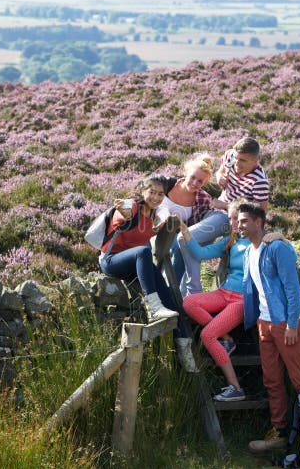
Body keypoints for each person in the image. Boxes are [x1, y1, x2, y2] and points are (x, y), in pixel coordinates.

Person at [180, 199, 284, 402]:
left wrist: (279, 236)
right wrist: (184, 230)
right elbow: (201, 253)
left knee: (208, 335)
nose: (234, 222)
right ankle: (227, 339)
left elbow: (282, 249)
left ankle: (235, 387)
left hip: (242, 300)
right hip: (224, 292)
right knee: (189, 303)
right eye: (230, 218)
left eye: (238, 218)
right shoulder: (232, 240)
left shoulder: (263, 241)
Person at [98, 174, 197, 372]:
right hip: (111, 261)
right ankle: (153, 307)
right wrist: (123, 210)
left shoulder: (153, 214)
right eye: (151, 191)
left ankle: (185, 349)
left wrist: (166, 219)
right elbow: (125, 208)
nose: (156, 197)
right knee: (144, 252)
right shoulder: (133, 206)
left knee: (170, 300)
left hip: (134, 264)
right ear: (142, 191)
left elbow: (162, 217)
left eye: (160, 194)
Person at [237, 201, 300, 453]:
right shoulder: (248, 251)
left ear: (259, 222)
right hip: (264, 323)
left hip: (285, 323)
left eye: (244, 221)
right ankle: (279, 433)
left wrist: (292, 324)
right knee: (272, 381)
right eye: (238, 221)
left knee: (299, 380)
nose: (239, 225)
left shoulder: (278, 248)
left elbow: (292, 288)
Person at [174, 138, 270, 296]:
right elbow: (222, 170)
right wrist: (220, 176)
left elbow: (259, 213)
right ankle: (186, 298)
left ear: (255, 160)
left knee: (184, 238)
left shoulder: (259, 181)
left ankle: (193, 292)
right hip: (214, 212)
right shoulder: (231, 156)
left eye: (243, 161)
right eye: (236, 158)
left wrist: (226, 206)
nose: (237, 163)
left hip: (229, 218)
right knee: (189, 248)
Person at [156, 153, 229, 296]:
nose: (195, 183)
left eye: (200, 181)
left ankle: (175, 294)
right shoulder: (166, 184)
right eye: (193, 178)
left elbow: (204, 224)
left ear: (205, 183)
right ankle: (173, 293)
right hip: (156, 230)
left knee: (181, 245)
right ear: (185, 173)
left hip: (177, 235)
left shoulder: (202, 198)